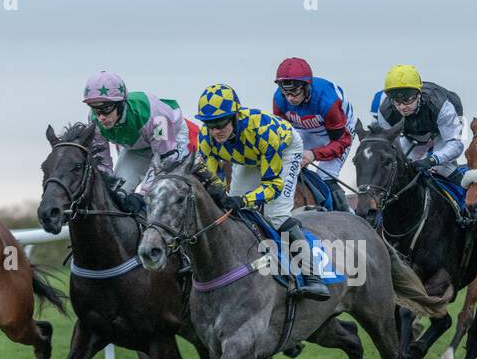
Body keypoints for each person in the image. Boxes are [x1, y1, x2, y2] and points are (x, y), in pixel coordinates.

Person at [195, 83, 329, 300]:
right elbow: (211, 179)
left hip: (284, 149)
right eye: (209, 125)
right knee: (231, 212)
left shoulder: (263, 133)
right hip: (246, 156)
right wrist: (220, 194)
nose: (215, 131)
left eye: (220, 124)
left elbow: (273, 186)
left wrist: (245, 199)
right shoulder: (206, 137)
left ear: (235, 116)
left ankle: (313, 277)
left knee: (276, 215)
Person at [82, 71, 191, 214]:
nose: (101, 117)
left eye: (106, 109)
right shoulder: (94, 120)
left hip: (171, 139)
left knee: (159, 194)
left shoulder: (153, 116)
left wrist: (142, 195)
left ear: (121, 103)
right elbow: (103, 164)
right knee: (117, 194)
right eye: (96, 109)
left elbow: (165, 162)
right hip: (138, 147)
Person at [272, 57, 354, 211]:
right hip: (305, 130)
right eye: (285, 92)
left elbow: (341, 142)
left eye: (295, 92)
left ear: (306, 86)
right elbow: (282, 137)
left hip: (338, 133)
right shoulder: (279, 100)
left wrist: (313, 154)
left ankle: (349, 217)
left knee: (326, 175)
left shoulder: (327, 101)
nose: (290, 98)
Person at [373, 65, 466, 183]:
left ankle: (465, 194)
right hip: (411, 135)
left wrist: (432, 160)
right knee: (404, 169)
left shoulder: (440, 105)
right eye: (397, 102)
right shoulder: (385, 112)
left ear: (419, 94)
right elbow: (389, 148)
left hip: (441, 131)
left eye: (407, 101)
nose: (402, 107)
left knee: (440, 167)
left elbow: (456, 146)